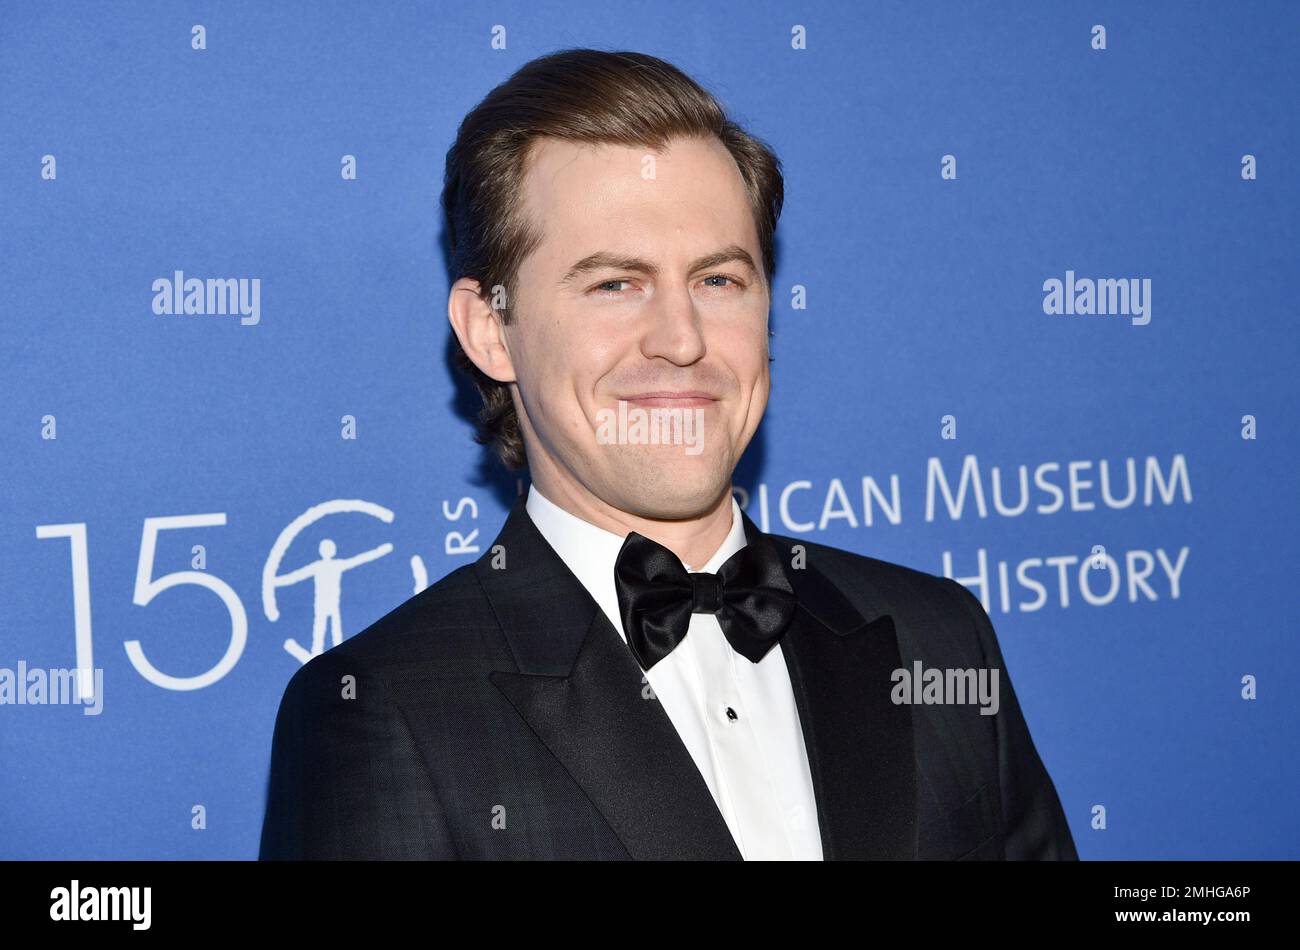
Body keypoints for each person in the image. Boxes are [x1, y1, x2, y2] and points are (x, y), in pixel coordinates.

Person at [259, 48, 1077, 861]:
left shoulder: (936, 638)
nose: (683, 341)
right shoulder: (385, 710)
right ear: (490, 330)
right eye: (615, 284)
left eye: (719, 281)